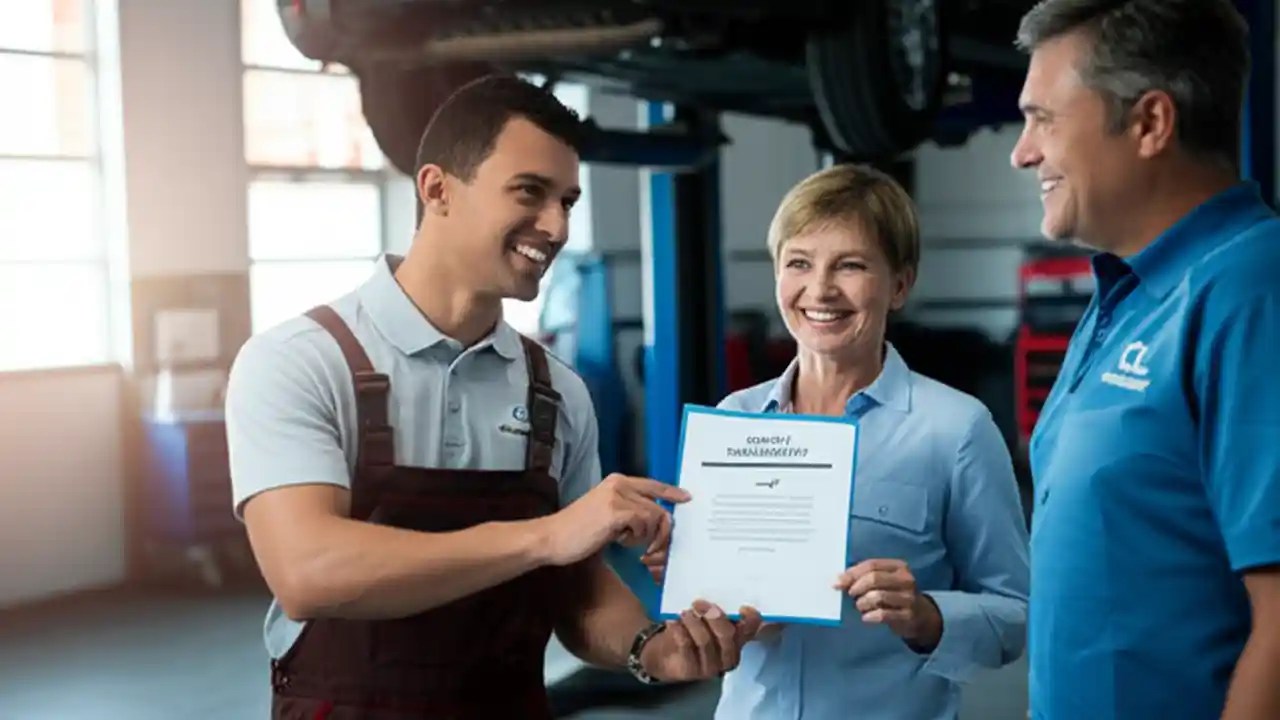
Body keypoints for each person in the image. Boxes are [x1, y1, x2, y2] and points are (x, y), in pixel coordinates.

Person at [224, 74, 762, 719]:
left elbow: (578, 593)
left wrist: (652, 649)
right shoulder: (299, 362)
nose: (557, 226)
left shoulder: (557, 392)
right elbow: (308, 572)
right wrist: (543, 536)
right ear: (437, 189)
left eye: (568, 200)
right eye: (530, 193)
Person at [647, 163, 1031, 719]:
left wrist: (927, 616)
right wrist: (688, 570)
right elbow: (715, 611)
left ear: (900, 284)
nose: (820, 289)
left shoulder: (956, 429)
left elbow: (1015, 615)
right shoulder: (736, 419)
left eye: (850, 265)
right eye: (798, 263)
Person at [1010, 1, 1280, 718]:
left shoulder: (1253, 291)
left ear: (1151, 123)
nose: (1023, 150)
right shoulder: (1125, 291)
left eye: (1044, 119)